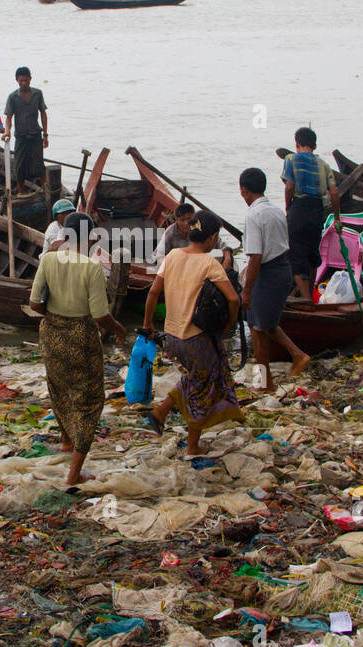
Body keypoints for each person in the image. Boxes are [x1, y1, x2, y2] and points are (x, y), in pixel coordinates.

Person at [29, 212, 126, 487]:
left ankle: (65, 442)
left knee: (59, 388)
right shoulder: (91, 267)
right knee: (89, 400)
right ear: (89, 237)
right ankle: (74, 475)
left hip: (51, 332)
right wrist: (118, 328)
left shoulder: (48, 260)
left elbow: (35, 303)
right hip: (80, 336)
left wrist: (55, 313)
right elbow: (100, 315)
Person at [141, 211, 243, 455]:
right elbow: (232, 298)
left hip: (173, 336)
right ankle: (191, 445)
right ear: (212, 238)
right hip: (196, 337)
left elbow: (153, 292)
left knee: (197, 379)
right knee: (201, 387)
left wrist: (148, 323)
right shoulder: (209, 263)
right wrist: (229, 324)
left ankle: (161, 413)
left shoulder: (174, 255)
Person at [240, 167, 310, 387]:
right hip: (282, 270)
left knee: (260, 328)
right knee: (263, 326)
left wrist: (247, 290)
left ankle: (278, 371)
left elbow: (256, 256)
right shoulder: (277, 210)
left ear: (244, 191)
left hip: (268, 273)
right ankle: (276, 372)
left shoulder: (254, 215)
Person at [280, 127, 337, 301]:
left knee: (295, 256)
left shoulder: (291, 159)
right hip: (317, 210)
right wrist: (338, 217)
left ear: (297, 144)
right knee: (313, 255)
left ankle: (307, 301)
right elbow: (333, 193)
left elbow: (289, 186)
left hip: (299, 209)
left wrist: (288, 206)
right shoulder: (324, 165)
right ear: (315, 145)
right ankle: (311, 293)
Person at [3, 66, 49, 188]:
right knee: (19, 165)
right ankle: (21, 191)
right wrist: (7, 132)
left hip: (35, 134)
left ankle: (45, 189)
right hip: (21, 136)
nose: (24, 83)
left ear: (30, 79)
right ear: (17, 81)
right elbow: (9, 118)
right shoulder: (12, 97)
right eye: (21, 80)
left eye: (26, 80)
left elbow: (43, 114)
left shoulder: (37, 94)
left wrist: (45, 135)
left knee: (39, 164)